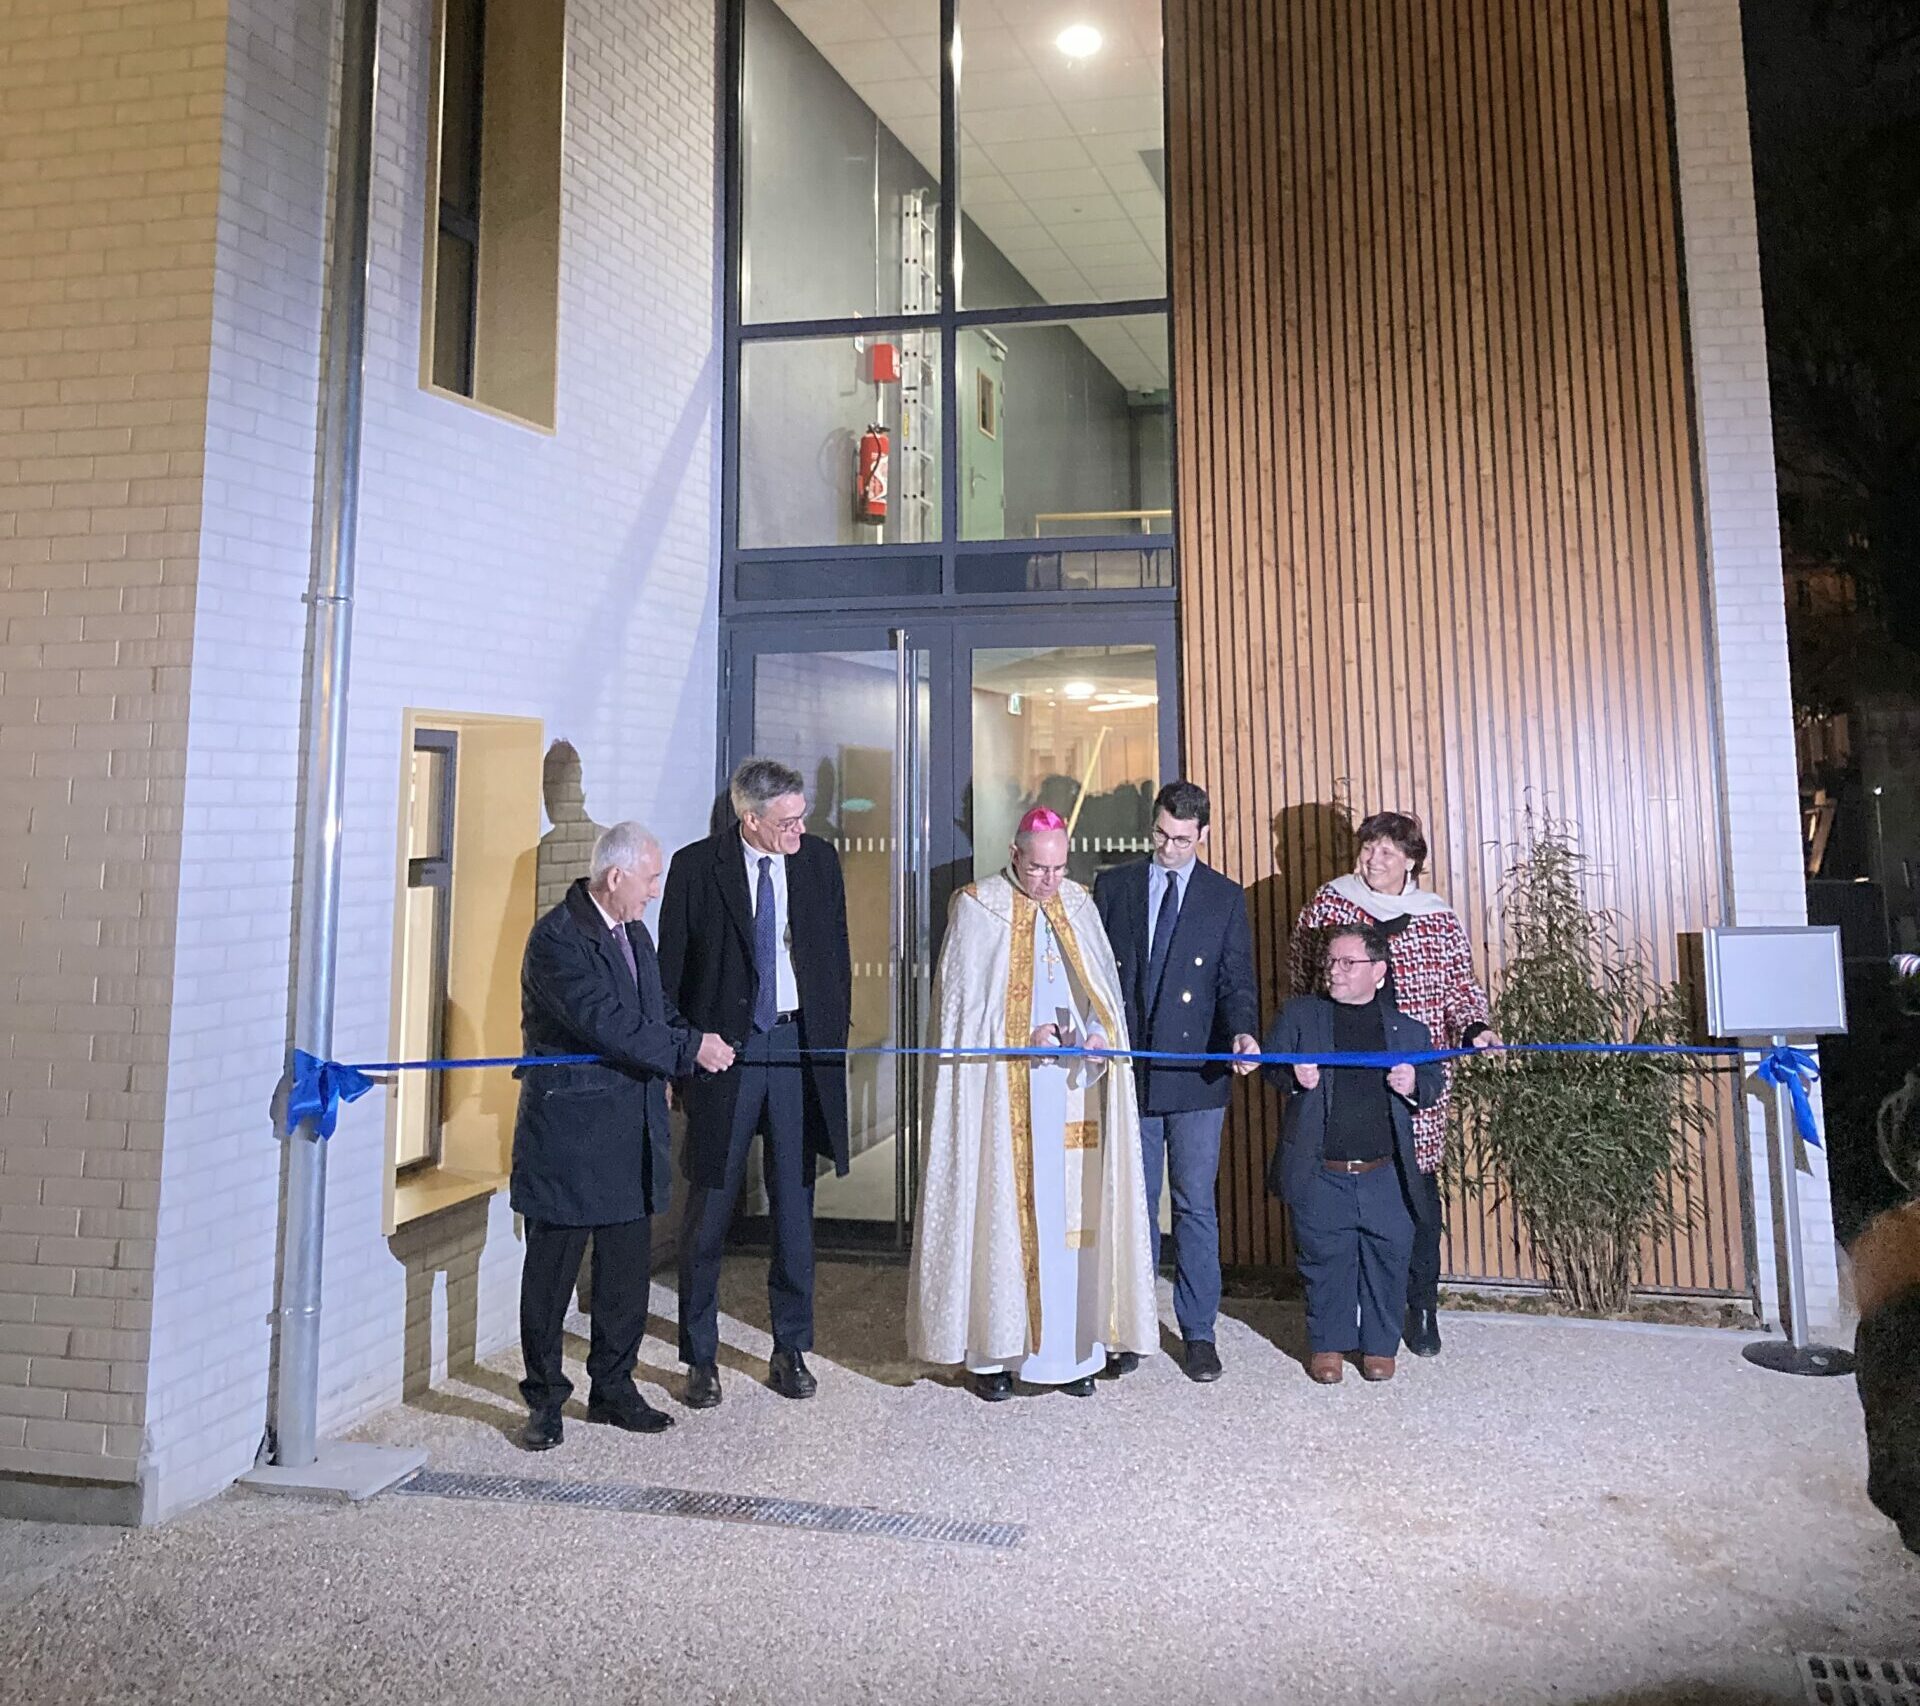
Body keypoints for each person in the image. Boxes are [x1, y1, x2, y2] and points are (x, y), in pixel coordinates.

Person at [908, 807, 1159, 1400]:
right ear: (1016, 855)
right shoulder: (978, 908)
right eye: (1039, 867)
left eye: (1059, 867)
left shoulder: (1078, 904)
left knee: (1073, 1222)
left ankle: (1071, 1356)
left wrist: (1100, 1032)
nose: (1049, 881)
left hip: (1074, 1094)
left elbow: (1103, 992)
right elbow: (960, 1018)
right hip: (1005, 1099)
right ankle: (996, 1356)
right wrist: (1021, 1035)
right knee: (1003, 1214)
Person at [510, 822, 734, 1452]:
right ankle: (545, 1400)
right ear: (616, 877)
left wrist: (698, 1037)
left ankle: (613, 1387)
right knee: (552, 1276)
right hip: (571, 1139)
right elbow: (607, 1025)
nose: (655, 893)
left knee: (625, 1275)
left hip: (632, 1130)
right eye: (651, 879)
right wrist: (689, 1049)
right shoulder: (558, 941)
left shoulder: (634, 933)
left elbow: (653, 1014)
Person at [657, 758, 852, 1408]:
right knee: (709, 1207)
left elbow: (837, 959)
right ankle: (700, 1356)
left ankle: (790, 1348)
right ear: (751, 819)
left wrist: (832, 1039)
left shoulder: (818, 862)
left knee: (795, 1209)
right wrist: (682, 1055)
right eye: (788, 822)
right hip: (726, 1056)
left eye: (802, 818)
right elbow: (671, 977)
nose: (800, 830)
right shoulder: (695, 869)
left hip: (797, 1047)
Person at [1290, 812, 1499, 1358]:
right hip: (1343, 1078)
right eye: (1367, 849)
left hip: (1411, 1082)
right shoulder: (1330, 904)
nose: (1373, 860)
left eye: (1386, 852)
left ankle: (1421, 1306)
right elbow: (1301, 975)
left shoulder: (1438, 919)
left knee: (1415, 1199)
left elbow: (1459, 986)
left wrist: (1476, 1028)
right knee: (1340, 1204)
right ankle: (1344, 1323)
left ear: (1411, 860)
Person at [1093, 779, 1260, 1383]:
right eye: (1161, 834)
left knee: (1195, 1206)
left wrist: (1243, 1033)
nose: (1168, 848)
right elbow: (1095, 977)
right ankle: (1129, 1329)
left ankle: (1198, 1332)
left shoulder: (1224, 898)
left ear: (1204, 836)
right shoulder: (1113, 887)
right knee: (1132, 1207)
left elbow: (1235, 982)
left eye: (1182, 840)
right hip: (1132, 1073)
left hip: (1197, 1077)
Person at [1262, 923, 1443, 1384]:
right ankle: (1328, 1347)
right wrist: (1292, 1076)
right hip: (1323, 1169)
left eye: (1348, 963)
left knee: (1388, 1256)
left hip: (1386, 1172)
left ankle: (1379, 1347)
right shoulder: (1302, 1016)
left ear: (1378, 971)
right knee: (1325, 1260)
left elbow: (1434, 1083)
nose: (1335, 972)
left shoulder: (1409, 1031)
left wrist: (1413, 1084)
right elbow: (1272, 1067)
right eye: (1331, 963)